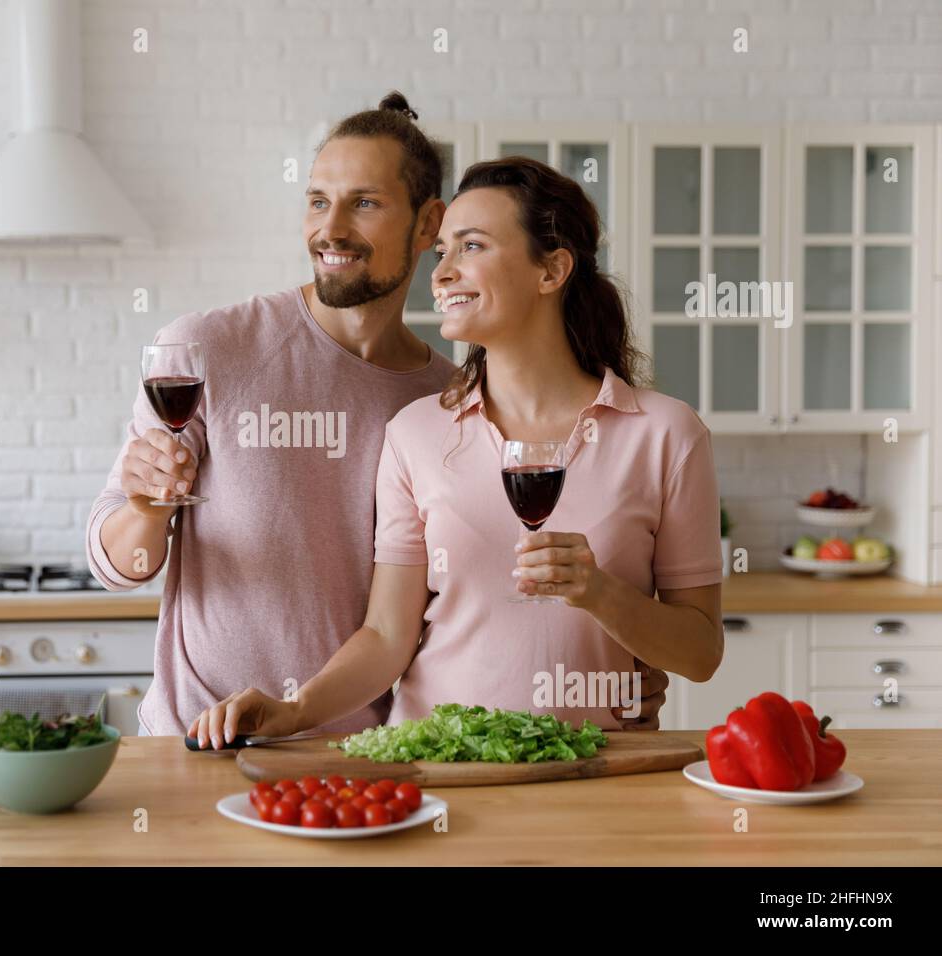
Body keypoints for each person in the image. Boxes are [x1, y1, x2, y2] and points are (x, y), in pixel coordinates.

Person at [189, 156, 722, 748]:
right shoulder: (416, 432)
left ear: (551, 270)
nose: (440, 273)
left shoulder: (665, 435)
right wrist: (295, 710)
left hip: (592, 767)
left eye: (471, 247)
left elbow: (700, 653)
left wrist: (600, 594)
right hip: (437, 762)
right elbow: (387, 636)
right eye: (441, 251)